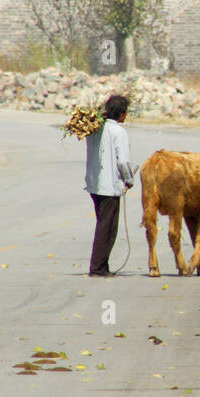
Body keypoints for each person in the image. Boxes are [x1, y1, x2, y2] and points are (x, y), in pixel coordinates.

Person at [84, 94, 136, 277]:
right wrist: (129, 180)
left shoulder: (94, 128)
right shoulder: (118, 132)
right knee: (108, 228)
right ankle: (97, 268)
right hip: (109, 186)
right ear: (121, 114)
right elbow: (122, 162)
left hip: (93, 184)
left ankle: (102, 266)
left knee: (103, 224)